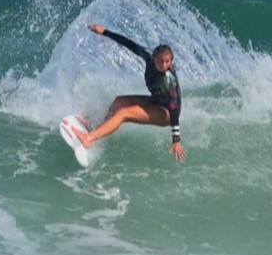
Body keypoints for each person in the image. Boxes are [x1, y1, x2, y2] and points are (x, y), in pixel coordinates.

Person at [71, 24, 186, 161]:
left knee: (123, 113)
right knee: (119, 102)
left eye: (167, 62)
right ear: (153, 59)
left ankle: (89, 138)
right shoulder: (148, 58)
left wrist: (176, 140)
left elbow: (173, 109)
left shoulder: (168, 81)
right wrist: (104, 32)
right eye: (160, 61)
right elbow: (128, 43)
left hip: (167, 113)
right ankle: (98, 128)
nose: (164, 65)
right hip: (157, 101)